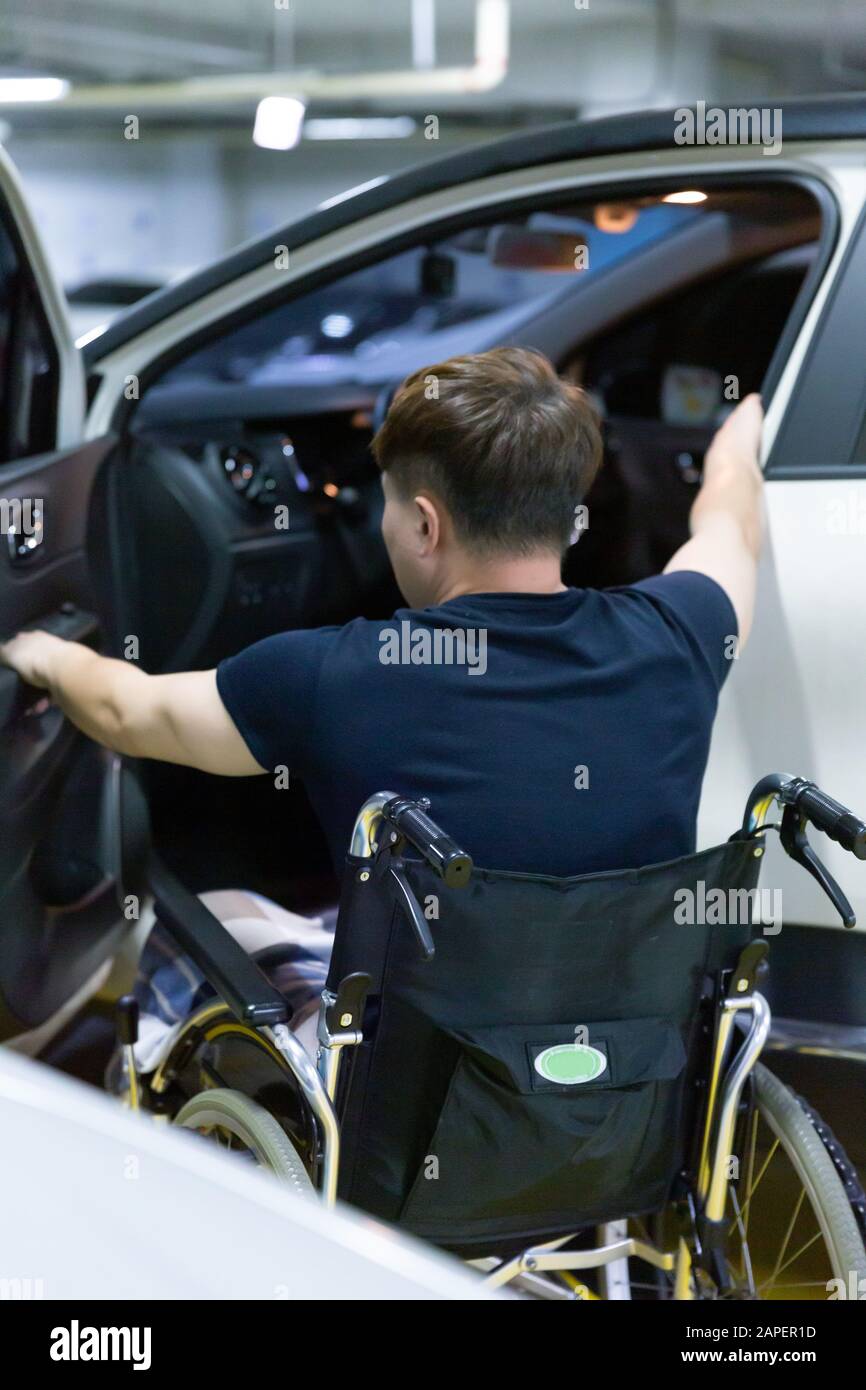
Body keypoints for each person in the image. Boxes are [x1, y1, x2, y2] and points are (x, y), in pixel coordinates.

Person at [0, 348, 764, 1062]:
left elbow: (130, 714)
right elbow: (729, 519)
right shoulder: (681, 631)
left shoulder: (334, 673)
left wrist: (46, 654)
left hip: (417, 1092)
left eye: (390, 508)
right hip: (631, 1072)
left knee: (206, 914)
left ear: (426, 525)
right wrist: (743, 427)